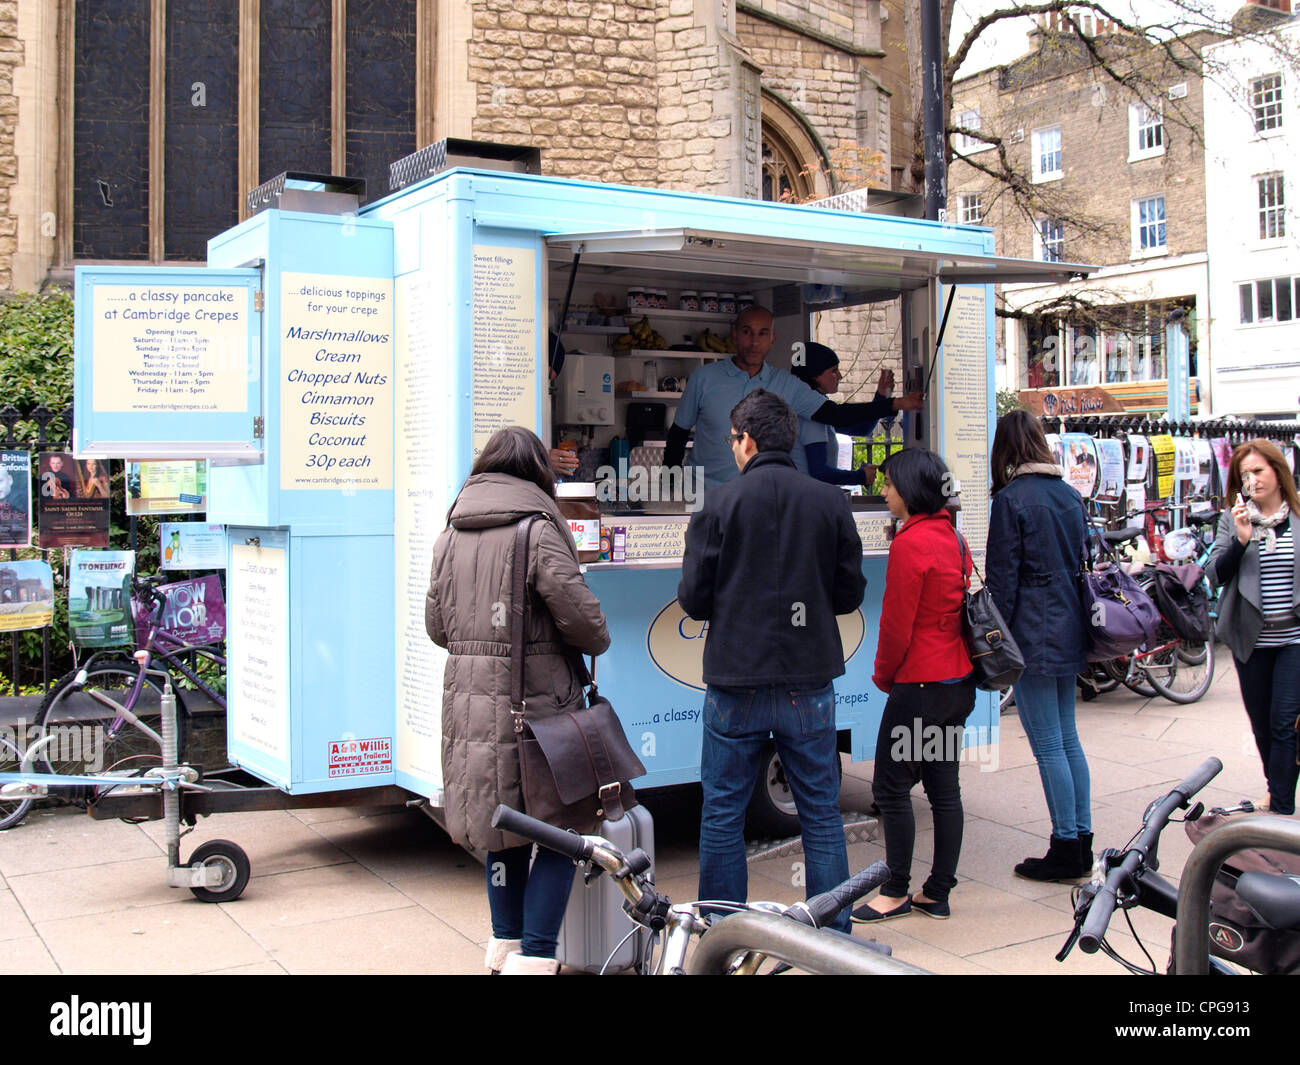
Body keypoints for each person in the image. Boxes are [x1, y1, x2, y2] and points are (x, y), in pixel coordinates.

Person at [677, 388, 865, 932]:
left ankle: (723, 937)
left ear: (747, 441)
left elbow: (693, 598)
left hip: (735, 680)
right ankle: (832, 939)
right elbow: (849, 593)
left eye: (734, 439)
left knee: (722, 814)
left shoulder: (717, 505)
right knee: (822, 815)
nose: (733, 449)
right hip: (809, 680)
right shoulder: (830, 502)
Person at [425, 425, 610, 975]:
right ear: (538, 474)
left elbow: (438, 627)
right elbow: (589, 628)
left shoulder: (449, 534)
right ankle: (534, 956)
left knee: (499, 826)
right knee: (559, 829)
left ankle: (505, 947)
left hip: (468, 707)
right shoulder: (538, 531)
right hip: (539, 707)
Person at [855, 448, 975, 922]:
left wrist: (885, 676)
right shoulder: (952, 535)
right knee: (944, 790)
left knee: (890, 789)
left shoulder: (911, 543)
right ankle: (937, 892)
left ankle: (896, 889)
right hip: (956, 683)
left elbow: (896, 626)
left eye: (889, 484)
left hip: (919, 686)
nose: (883, 491)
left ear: (911, 489)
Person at [985, 410, 1091, 881]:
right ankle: (1081, 838)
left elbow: (1003, 581)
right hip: (1070, 622)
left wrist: (994, 641)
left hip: (1031, 628)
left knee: (1048, 743)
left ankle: (1065, 844)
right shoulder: (1069, 495)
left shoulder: (1011, 499)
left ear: (1006, 449)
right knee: (1067, 738)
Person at [664, 306, 923, 489]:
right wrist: (669, 488)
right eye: (747, 332)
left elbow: (835, 414)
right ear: (735, 335)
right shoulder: (704, 378)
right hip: (706, 496)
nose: (754, 341)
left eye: (763, 333)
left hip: (762, 500)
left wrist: (894, 403)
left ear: (773, 339)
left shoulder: (786, 385)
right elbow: (677, 436)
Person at [1207, 439, 1300, 815]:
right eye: (1244, 474)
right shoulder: (1234, 519)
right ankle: (1275, 789)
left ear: (1278, 472)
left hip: (1295, 638)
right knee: (1262, 727)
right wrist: (1242, 542)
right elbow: (1214, 573)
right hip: (1252, 640)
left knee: (1283, 723)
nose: (1252, 480)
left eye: (1258, 471)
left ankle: (1280, 809)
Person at [789, 341, 895, 488]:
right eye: (833, 371)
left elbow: (862, 429)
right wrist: (860, 476)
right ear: (815, 375)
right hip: (808, 500)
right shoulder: (811, 415)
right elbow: (819, 472)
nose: (840, 376)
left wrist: (881, 396)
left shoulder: (818, 409)